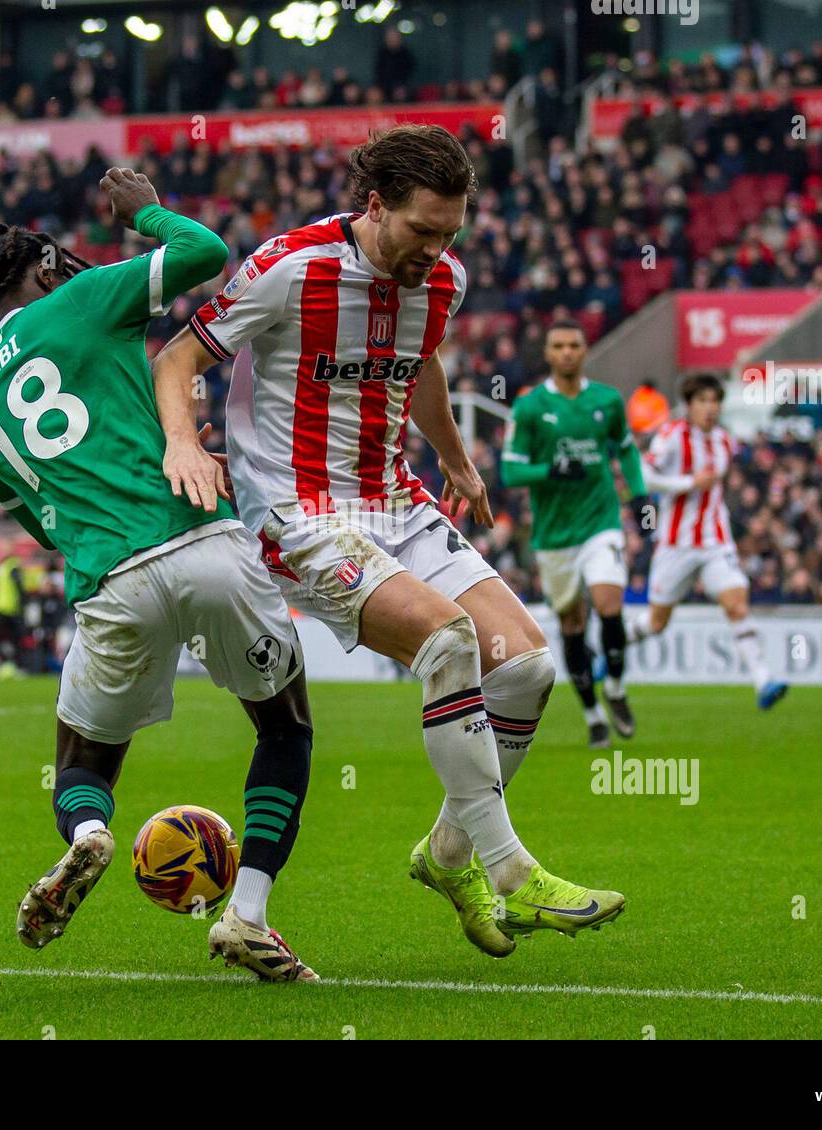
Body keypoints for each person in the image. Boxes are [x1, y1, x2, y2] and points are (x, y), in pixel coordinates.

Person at [153, 125, 624, 958]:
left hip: (394, 501)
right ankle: (510, 868)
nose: (436, 250)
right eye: (422, 230)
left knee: (525, 667)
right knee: (446, 641)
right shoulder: (290, 268)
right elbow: (180, 354)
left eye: (452, 232)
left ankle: (448, 855)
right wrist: (184, 442)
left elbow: (424, 360)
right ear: (375, 206)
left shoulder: (442, 278)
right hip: (299, 513)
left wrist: (455, 456)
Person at [0, 168, 317, 982]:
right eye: (60, 259)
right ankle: (246, 916)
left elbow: (42, 523)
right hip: (206, 547)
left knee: (81, 765)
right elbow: (204, 252)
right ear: (39, 268)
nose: (72, 265)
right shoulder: (80, 301)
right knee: (284, 729)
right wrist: (140, 207)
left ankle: (88, 836)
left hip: (112, 582)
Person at [501, 322, 649, 749]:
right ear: (548, 353)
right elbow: (511, 470)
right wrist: (552, 471)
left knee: (608, 602)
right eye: (558, 345)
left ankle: (617, 687)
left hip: (601, 523)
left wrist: (638, 496)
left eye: (574, 345)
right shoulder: (530, 408)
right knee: (571, 623)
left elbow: (625, 448)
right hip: (553, 536)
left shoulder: (607, 400)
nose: (567, 352)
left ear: (584, 351)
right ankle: (593, 713)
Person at [627, 374, 789, 710]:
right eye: (702, 401)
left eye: (715, 401)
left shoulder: (725, 442)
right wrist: (689, 482)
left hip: (716, 540)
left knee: (736, 604)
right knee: (657, 623)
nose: (710, 408)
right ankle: (612, 645)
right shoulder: (672, 436)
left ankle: (763, 680)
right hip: (676, 543)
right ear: (689, 405)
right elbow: (643, 476)